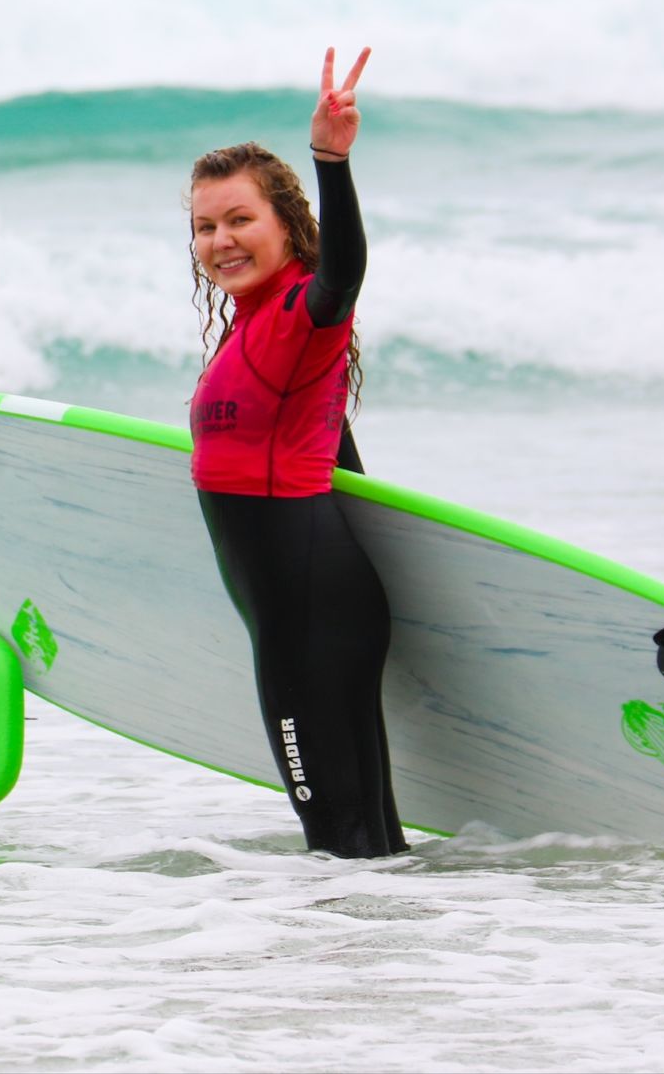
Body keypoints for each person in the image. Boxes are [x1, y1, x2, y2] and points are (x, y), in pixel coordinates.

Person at [185, 46, 404, 859]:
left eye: (240, 220)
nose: (220, 240)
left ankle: (344, 982)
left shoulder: (300, 315)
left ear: (286, 224)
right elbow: (331, 449)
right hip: (317, 605)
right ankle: (411, 975)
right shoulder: (253, 325)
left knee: (337, 838)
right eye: (206, 225)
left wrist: (331, 163)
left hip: (308, 618)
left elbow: (344, 272)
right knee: (366, 839)